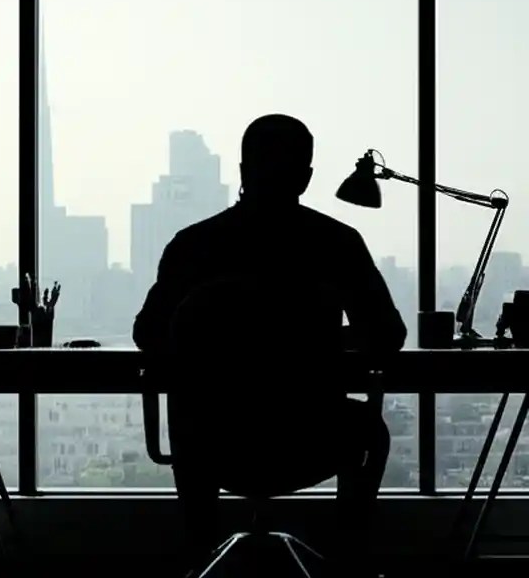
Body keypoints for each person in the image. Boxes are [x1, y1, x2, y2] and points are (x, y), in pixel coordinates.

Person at [132, 114, 405, 573]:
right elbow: (388, 336)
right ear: (307, 176)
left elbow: (148, 335)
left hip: (212, 439)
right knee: (369, 432)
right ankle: (350, 560)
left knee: (187, 414)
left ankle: (199, 554)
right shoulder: (336, 243)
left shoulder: (194, 245)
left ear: (242, 170)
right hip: (309, 434)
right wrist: (319, 340)